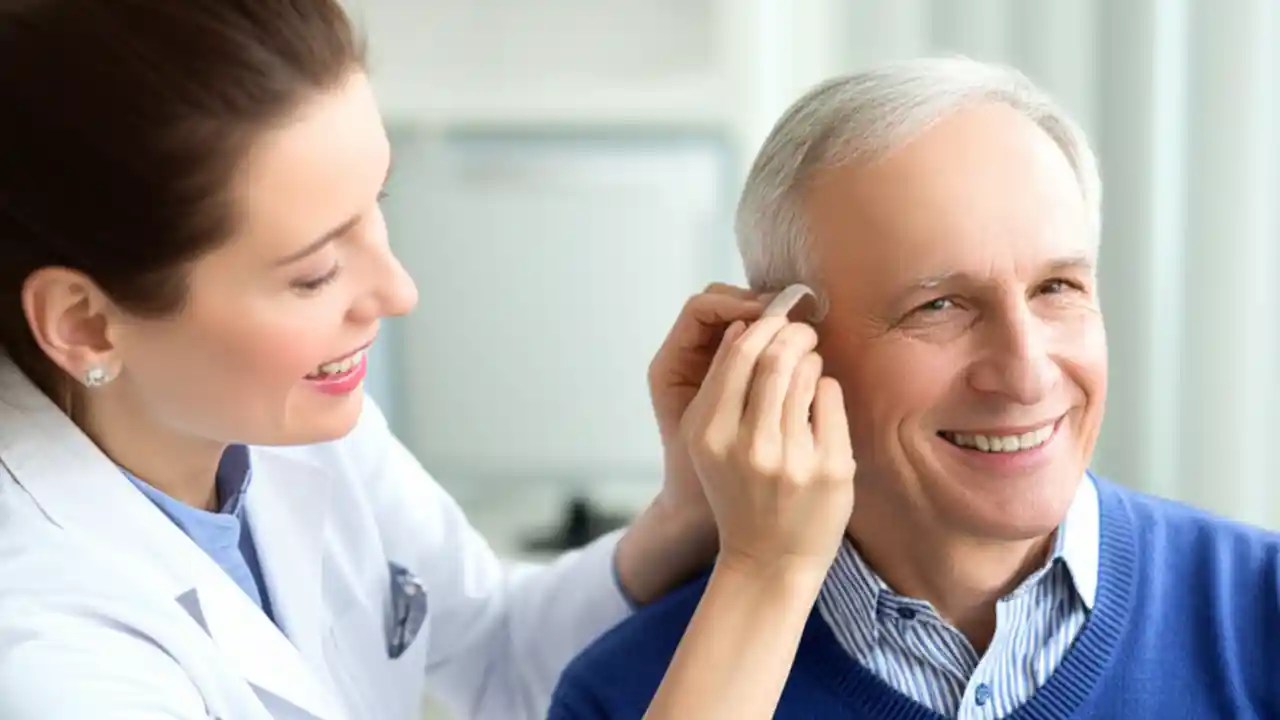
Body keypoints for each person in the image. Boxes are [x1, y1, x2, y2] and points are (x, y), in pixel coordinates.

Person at [0, 2, 857, 719]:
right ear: (84, 324)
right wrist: (766, 573)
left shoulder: (277, 426)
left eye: (377, 201)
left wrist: (689, 512)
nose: (398, 291)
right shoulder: (48, 657)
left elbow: (495, 654)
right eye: (314, 273)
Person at [549, 58, 1280, 719]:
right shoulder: (633, 694)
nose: (1025, 371)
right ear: (778, 348)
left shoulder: (1260, 614)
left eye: (1058, 287)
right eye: (938, 306)